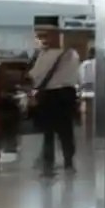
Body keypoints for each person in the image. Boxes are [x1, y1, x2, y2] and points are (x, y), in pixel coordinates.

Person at [29, 21, 80, 175]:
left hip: (51, 96)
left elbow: (35, 76)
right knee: (66, 131)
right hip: (67, 95)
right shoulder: (72, 53)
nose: (43, 39)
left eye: (45, 36)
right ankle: (68, 162)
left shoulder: (45, 55)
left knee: (48, 132)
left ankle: (48, 164)